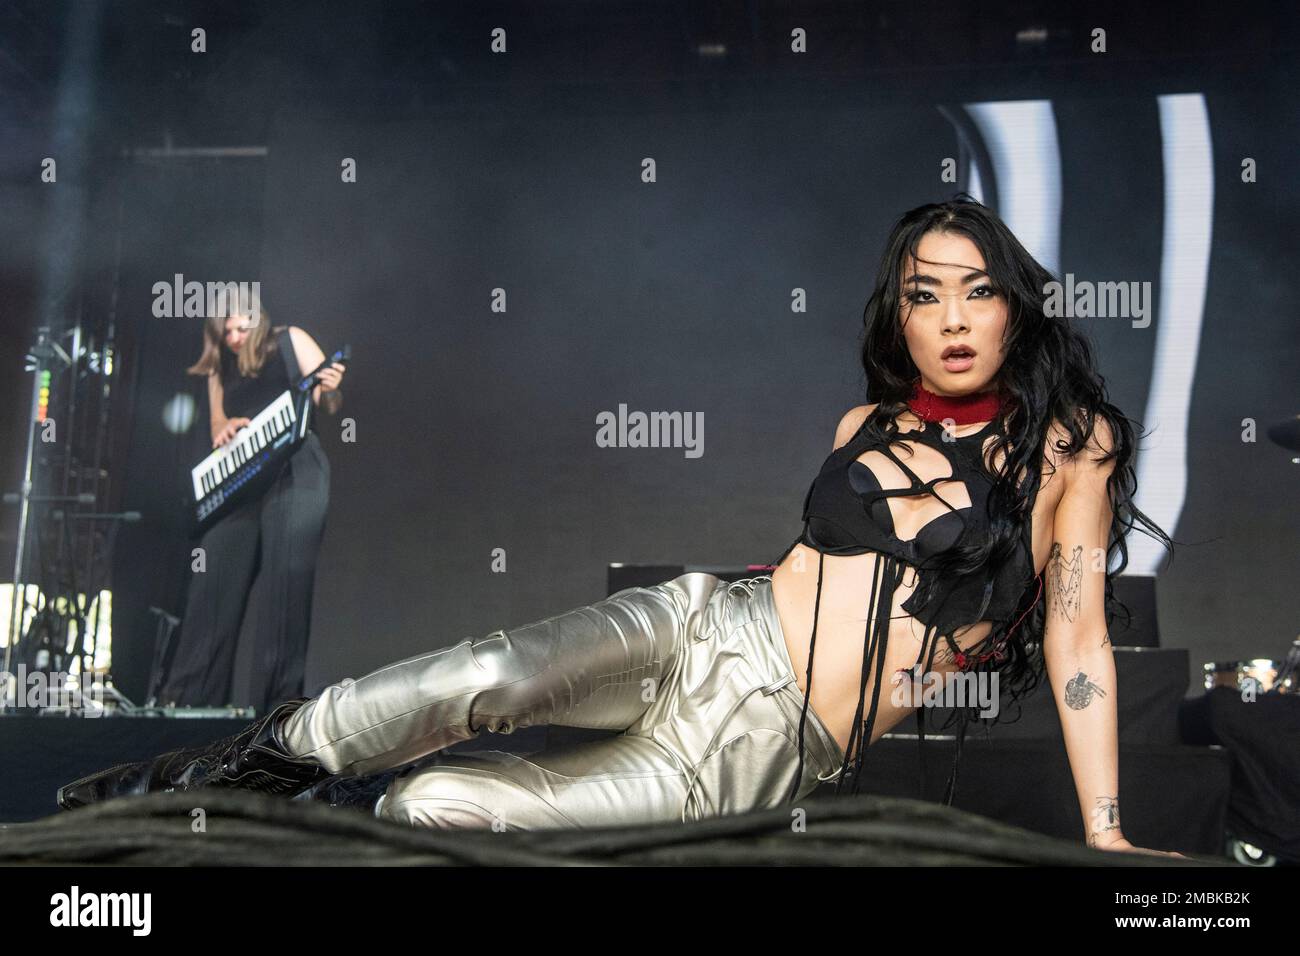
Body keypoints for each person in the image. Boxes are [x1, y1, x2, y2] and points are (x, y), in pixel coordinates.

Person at [60, 198, 1181, 856]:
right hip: (705, 623)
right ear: (900, 314)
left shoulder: (1069, 447)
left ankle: (318, 807)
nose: (951, 318)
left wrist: (1106, 830)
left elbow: (1077, 639)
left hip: (756, 747)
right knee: (481, 673)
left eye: (977, 290)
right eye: (924, 294)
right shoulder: (865, 423)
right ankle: (195, 784)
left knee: (436, 806)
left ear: (1013, 302)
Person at [156, 308, 346, 713]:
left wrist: (329, 388)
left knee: (285, 585)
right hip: (238, 477)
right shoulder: (219, 368)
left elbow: (328, 401)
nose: (235, 336)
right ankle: (187, 708)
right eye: (226, 332)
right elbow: (217, 425)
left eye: (241, 326)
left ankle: (278, 712)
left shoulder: (291, 338)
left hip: (293, 464)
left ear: (258, 320)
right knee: (213, 586)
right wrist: (223, 429)